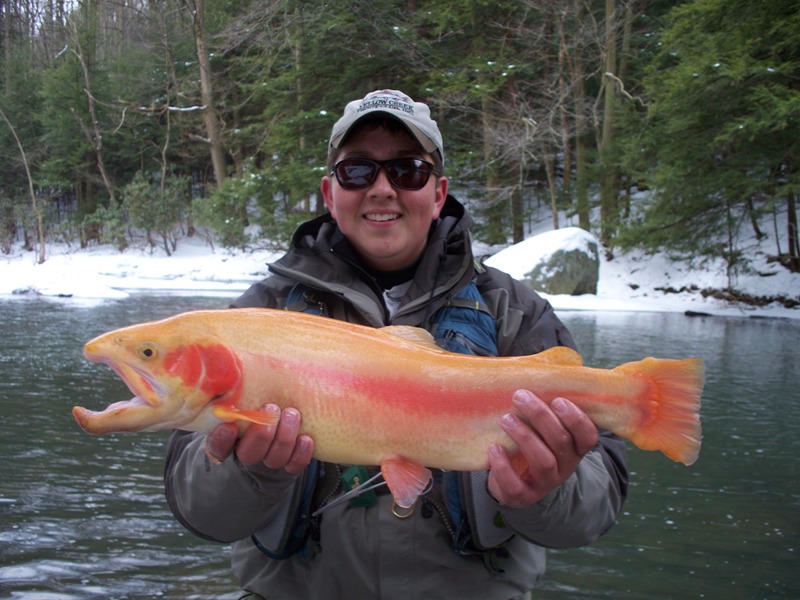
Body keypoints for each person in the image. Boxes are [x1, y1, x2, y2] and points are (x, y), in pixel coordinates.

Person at [164, 89, 628, 600]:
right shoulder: (258, 316)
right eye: (357, 171)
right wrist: (251, 474)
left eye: (408, 170)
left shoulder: (514, 311)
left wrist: (547, 491)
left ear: (438, 193)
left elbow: (594, 509)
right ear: (330, 193)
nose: (382, 189)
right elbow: (200, 512)